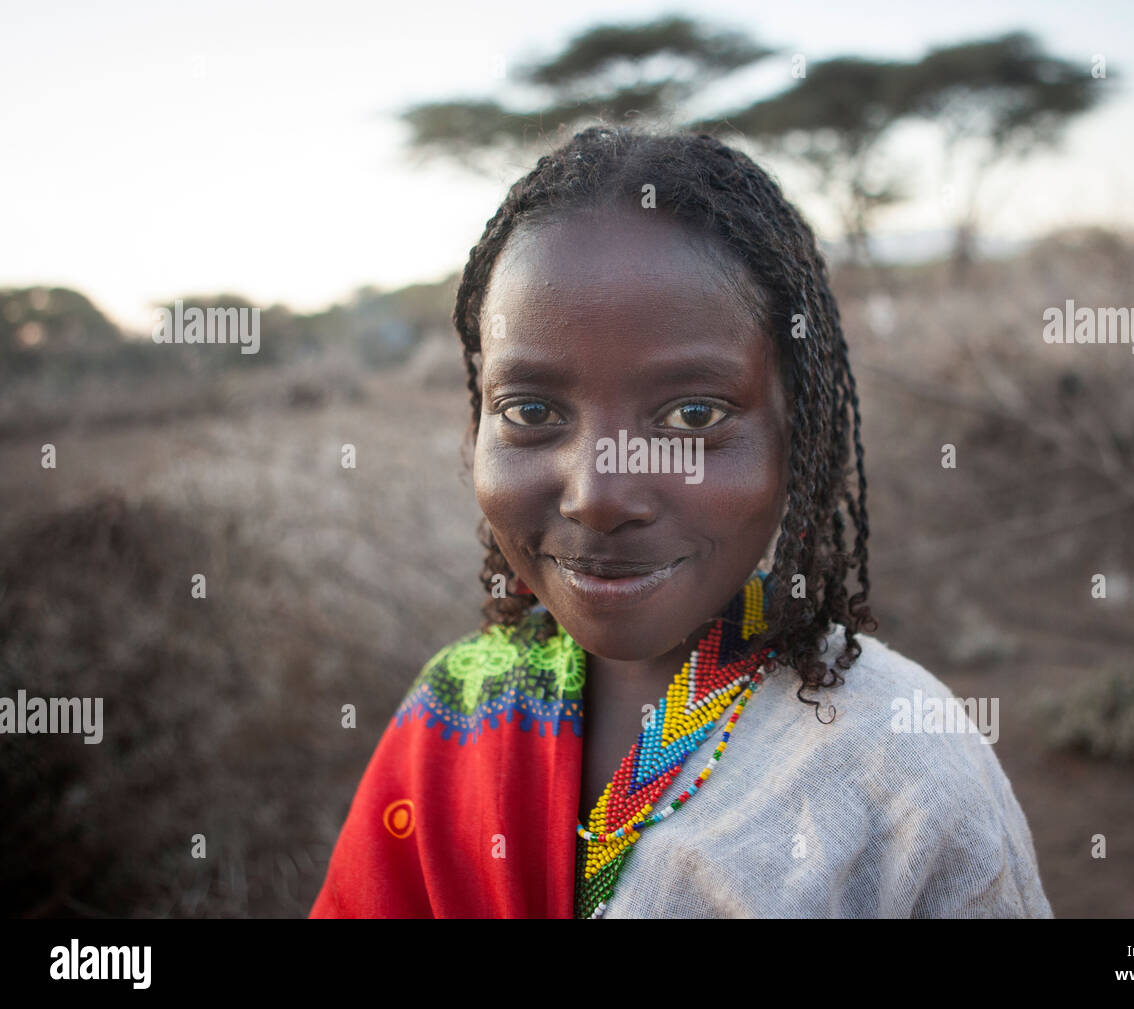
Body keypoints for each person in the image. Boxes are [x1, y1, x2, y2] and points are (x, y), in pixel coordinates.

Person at [309, 125, 1053, 919]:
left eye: (693, 414)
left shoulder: (903, 765)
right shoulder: (450, 716)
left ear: (799, 437)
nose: (597, 494)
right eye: (530, 410)